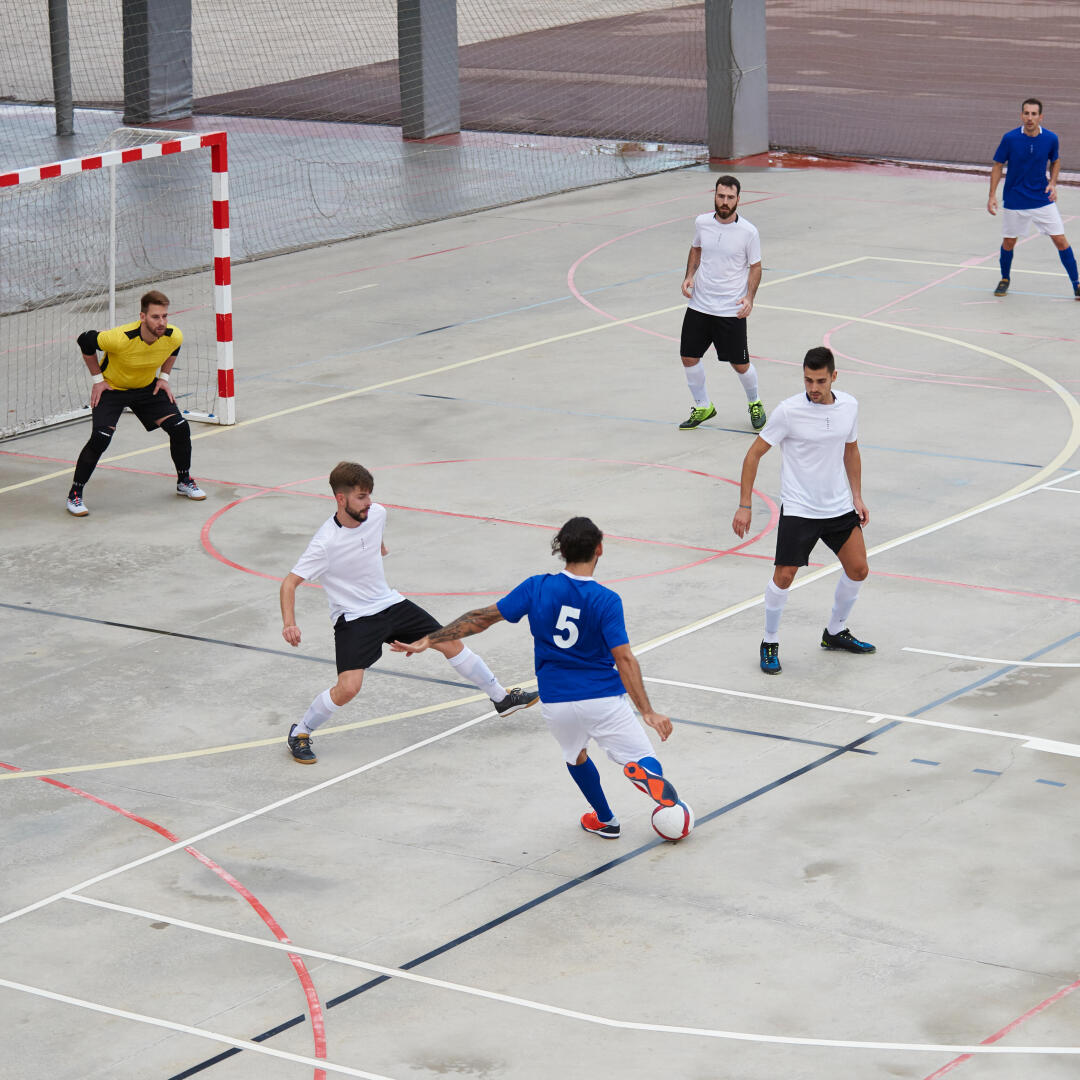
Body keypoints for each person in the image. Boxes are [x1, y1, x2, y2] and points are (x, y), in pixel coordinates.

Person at [391, 516, 687, 839]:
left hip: (557, 702)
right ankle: (645, 777)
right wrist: (647, 710)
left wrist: (432, 638)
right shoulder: (606, 600)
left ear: (560, 550)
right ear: (599, 549)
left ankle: (605, 819)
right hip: (600, 698)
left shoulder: (537, 587)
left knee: (575, 756)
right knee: (643, 757)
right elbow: (624, 658)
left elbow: (481, 619)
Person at [280, 462, 538, 764]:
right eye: (361, 497)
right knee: (349, 689)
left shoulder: (376, 514)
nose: (369, 503)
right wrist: (289, 624)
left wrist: (379, 546)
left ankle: (502, 699)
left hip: (390, 604)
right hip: (353, 618)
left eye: (370, 496)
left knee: (450, 641)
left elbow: (375, 533)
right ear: (341, 498)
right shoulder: (325, 543)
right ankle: (300, 731)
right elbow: (289, 583)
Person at [732, 346, 874, 675]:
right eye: (808, 380)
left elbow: (851, 450)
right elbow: (753, 455)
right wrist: (745, 505)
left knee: (858, 570)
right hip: (800, 509)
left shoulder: (849, 406)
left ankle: (835, 632)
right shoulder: (788, 412)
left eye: (820, 381)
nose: (813, 388)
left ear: (833, 377)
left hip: (838, 507)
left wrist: (857, 496)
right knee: (784, 577)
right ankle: (769, 641)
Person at [66, 289, 206, 516]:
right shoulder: (119, 338)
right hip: (113, 390)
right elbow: (84, 341)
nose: (161, 322)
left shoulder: (172, 335)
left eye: (164, 316)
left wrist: (164, 378)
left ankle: (184, 481)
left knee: (180, 428)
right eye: (155, 317)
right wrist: (97, 380)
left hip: (146, 388)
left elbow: (174, 348)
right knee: (100, 438)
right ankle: (75, 494)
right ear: (142, 317)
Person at [677, 174, 766, 432]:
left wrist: (749, 297)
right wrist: (689, 276)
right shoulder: (702, 223)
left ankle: (754, 402)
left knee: (740, 364)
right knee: (689, 356)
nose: (724, 202)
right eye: (720, 196)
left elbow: (756, 266)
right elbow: (696, 249)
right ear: (714, 196)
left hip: (730, 309)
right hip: (700, 304)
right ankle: (703, 405)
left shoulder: (748, 232)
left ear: (738, 199)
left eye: (729, 197)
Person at [987, 98, 1079, 300]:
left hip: (1041, 199)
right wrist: (992, 195)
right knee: (1009, 242)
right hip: (1015, 199)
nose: (1030, 118)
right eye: (1026, 113)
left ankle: (1076, 284)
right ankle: (1004, 279)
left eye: (1033, 114)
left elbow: (1055, 161)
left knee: (1060, 240)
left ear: (1040, 117)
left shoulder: (1051, 138)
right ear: (1022, 115)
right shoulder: (1010, 138)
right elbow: (997, 165)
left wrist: (1053, 183)